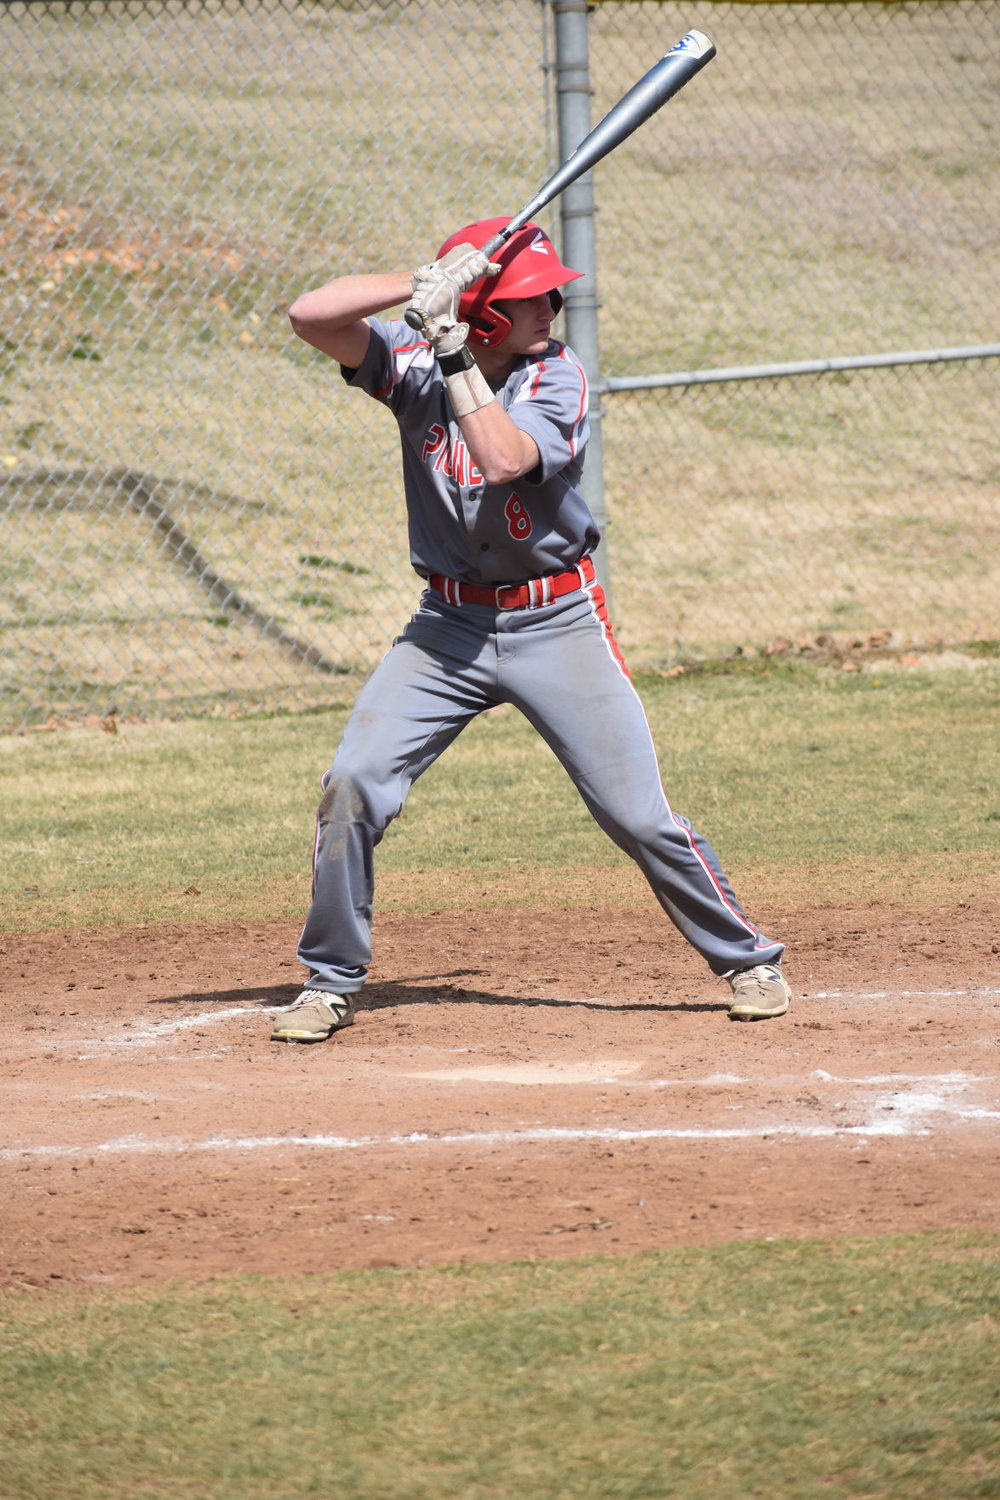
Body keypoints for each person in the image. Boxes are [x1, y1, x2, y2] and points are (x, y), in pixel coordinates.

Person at [270, 217, 791, 1043]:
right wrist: (426, 280)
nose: (550, 306)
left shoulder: (559, 379)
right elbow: (310, 315)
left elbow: (504, 457)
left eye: (550, 292)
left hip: (557, 621)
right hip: (446, 628)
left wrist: (447, 338)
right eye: (526, 297)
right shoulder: (410, 369)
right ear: (482, 311)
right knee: (353, 785)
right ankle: (329, 979)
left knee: (636, 814)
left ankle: (748, 960)